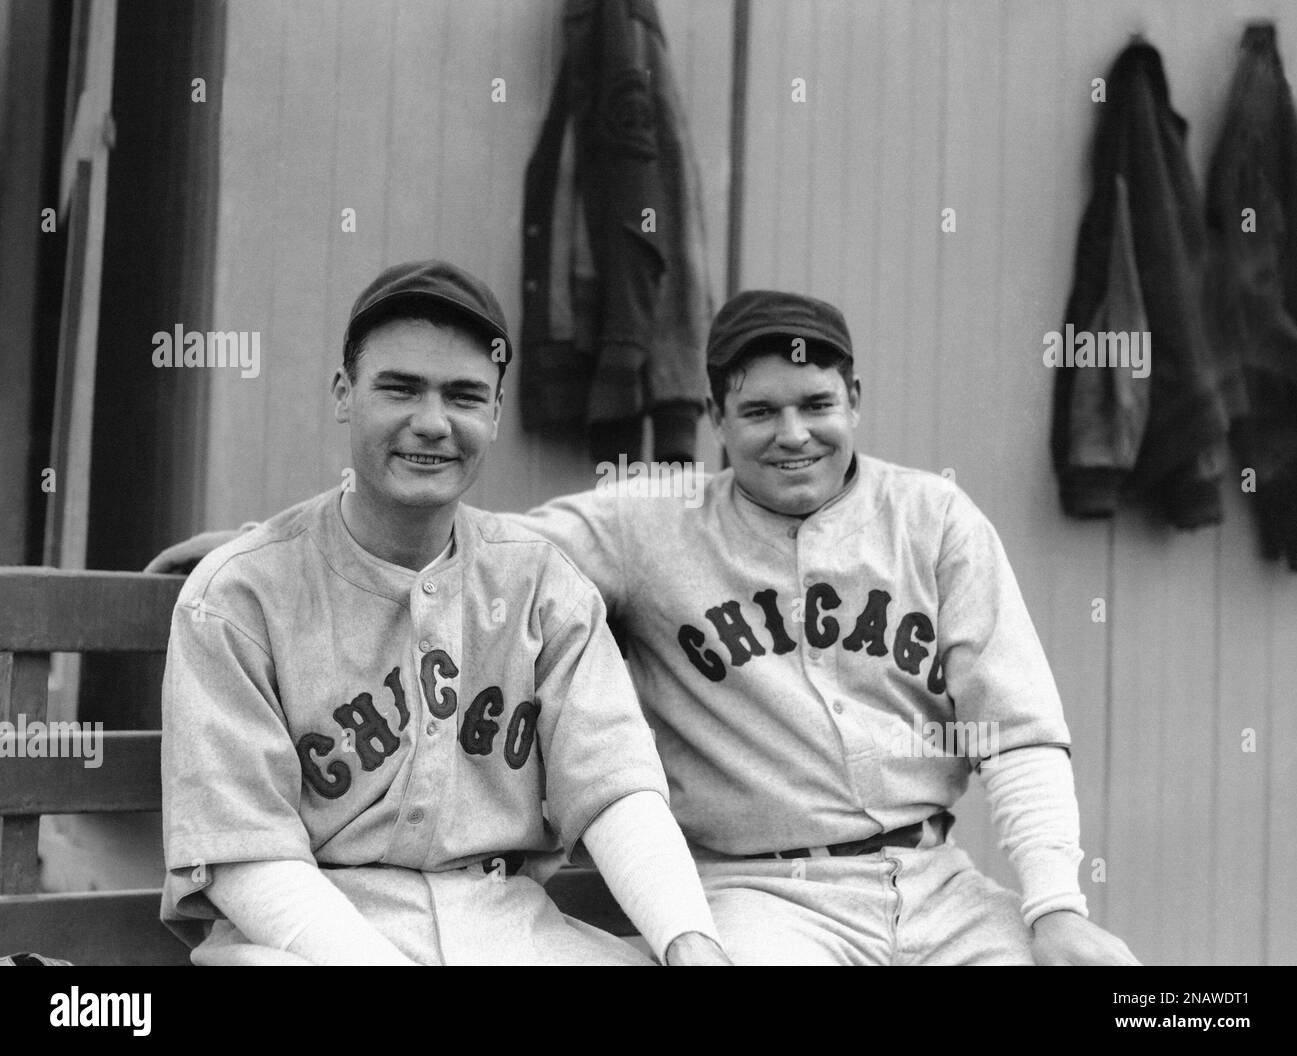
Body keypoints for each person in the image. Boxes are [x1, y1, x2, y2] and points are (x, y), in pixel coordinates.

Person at [153, 286, 1138, 966]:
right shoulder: (644, 524)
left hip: (936, 874)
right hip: (767, 897)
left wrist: (1052, 904)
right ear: (716, 417)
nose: (791, 434)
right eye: (758, 411)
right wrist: (271, 545)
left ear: (856, 400)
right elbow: (462, 538)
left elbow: (1014, 732)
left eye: (815, 404)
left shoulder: (937, 521)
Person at [158, 259, 729, 966]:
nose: (432, 423)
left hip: (509, 925)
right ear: (344, 394)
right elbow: (246, 854)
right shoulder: (239, 596)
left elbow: (615, 790)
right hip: (314, 933)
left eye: (463, 396)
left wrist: (687, 940)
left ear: (493, 415)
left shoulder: (542, 583)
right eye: (400, 389)